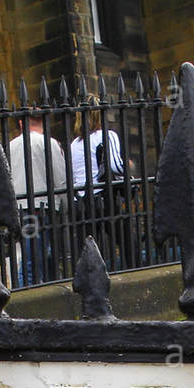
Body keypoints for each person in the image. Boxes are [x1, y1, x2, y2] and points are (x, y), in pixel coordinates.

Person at [70, 98, 132, 266]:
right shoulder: (107, 135)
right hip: (103, 198)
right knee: (127, 242)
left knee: (88, 250)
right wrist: (128, 168)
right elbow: (116, 167)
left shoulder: (74, 144)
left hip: (82, 202)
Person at [8, 113, 68, 285]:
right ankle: (24, 300)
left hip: (20, 207)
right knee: (33, 262)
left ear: (21, 123)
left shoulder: (10, 145)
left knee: (33, 258)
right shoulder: (49, 143)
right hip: (41, 207)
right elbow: (61, 178)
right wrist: (66, 204)